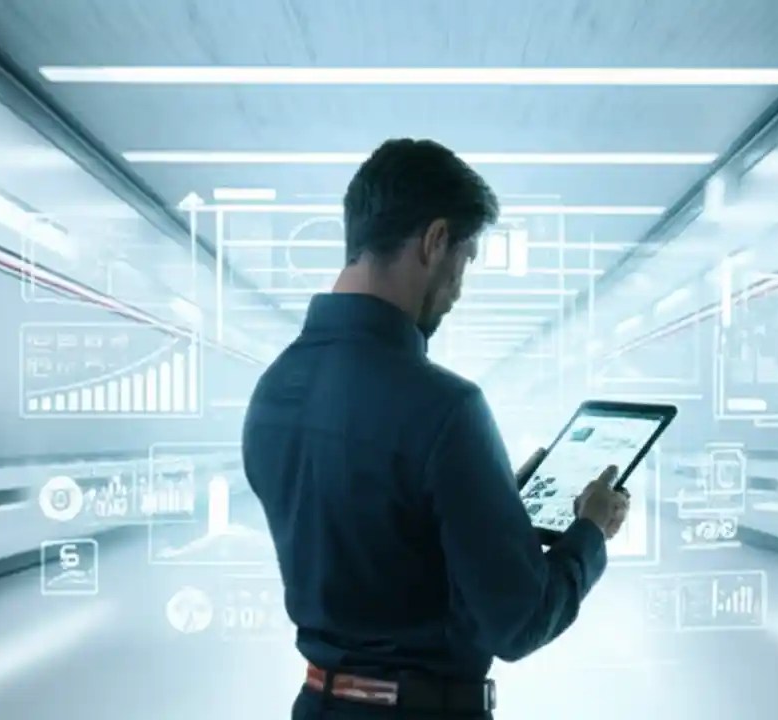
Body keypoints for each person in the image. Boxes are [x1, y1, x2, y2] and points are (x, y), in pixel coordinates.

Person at [243, 138, 631, 719]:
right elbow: (519, 623)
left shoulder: (273, 389)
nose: (458, 289)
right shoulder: (446, 408)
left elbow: (381, 545)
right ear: (435, 240)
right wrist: (590, 534)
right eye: (464, 262)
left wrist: (492, 503)